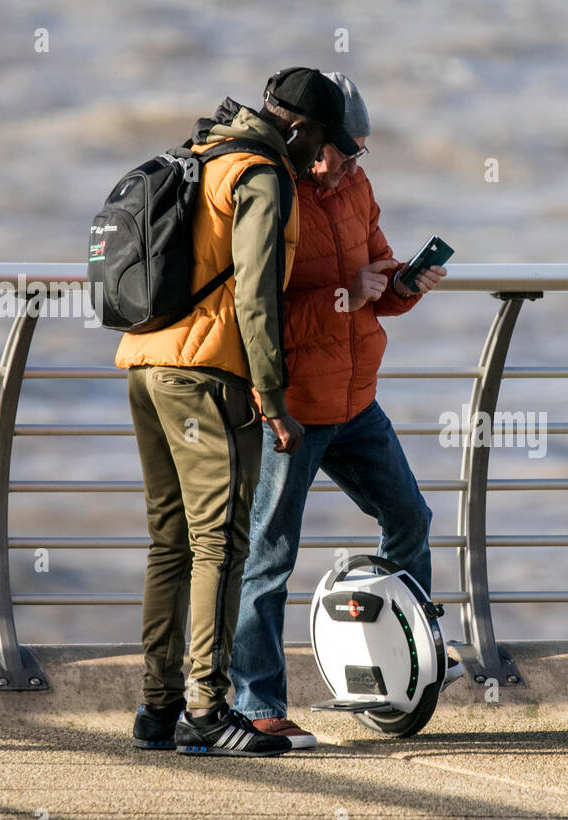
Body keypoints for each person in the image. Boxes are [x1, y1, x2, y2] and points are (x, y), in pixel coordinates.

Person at [119, 68, 360, 757]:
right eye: (317, 140)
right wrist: (276, 400)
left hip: (148, 365)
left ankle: (157, 709)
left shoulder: (204, 154)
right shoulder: (262, 175)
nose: (319, 158)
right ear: (296, 126)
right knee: (220, 543)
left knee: (171, 542)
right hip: (204, 378)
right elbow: (257, 298)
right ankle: (207, 709)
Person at [230, 73, 447, 747]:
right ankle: (257, 700)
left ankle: (405, 661)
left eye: (354, 153)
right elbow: (256, 318)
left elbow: (374, 275)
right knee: (270, 555)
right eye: (337, 150)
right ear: (309, 139)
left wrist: (404, 284)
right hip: (292, 409)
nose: (342, 164)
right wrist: (343, 297)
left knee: (409, 518)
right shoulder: (273, 192)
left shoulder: (355, 187)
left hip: (357, 401)